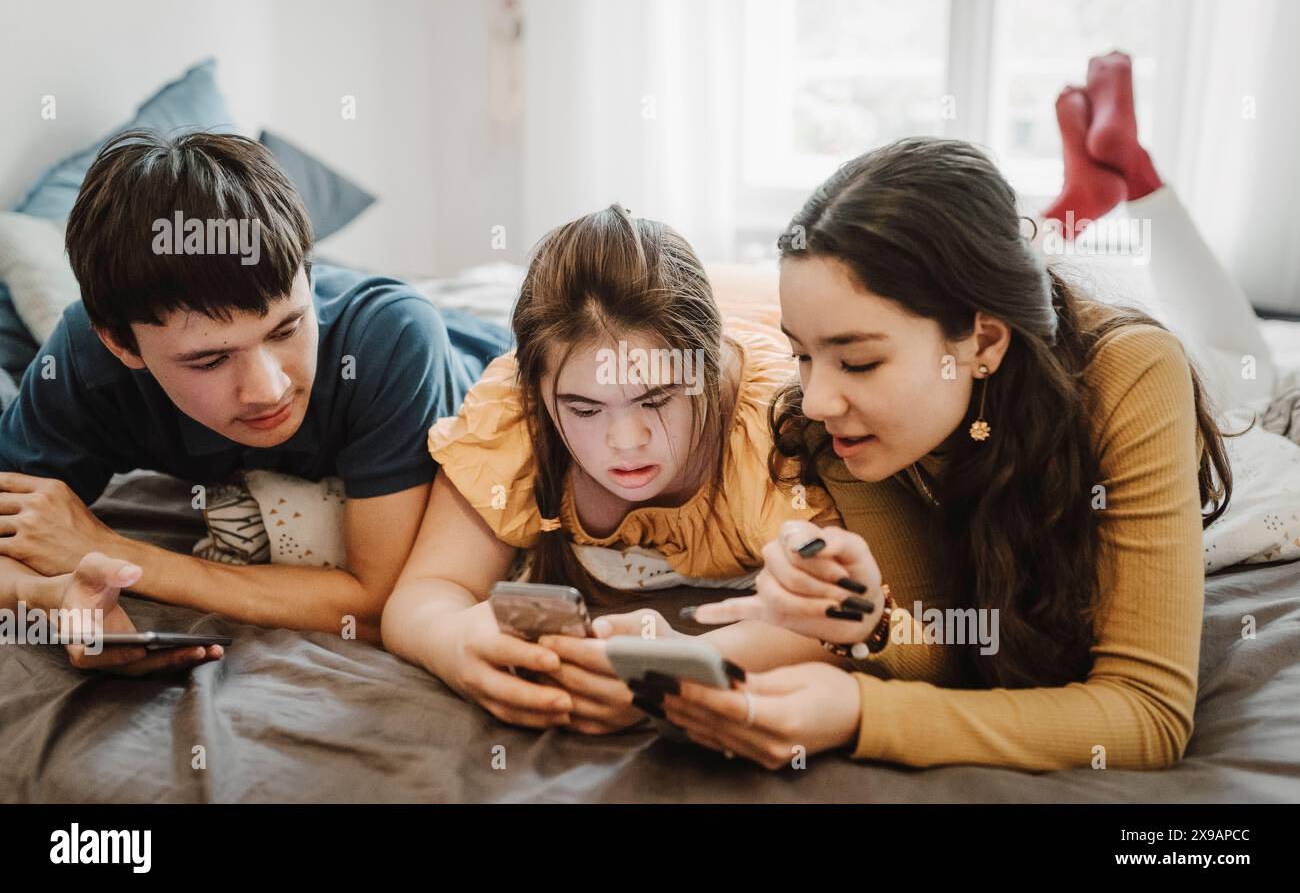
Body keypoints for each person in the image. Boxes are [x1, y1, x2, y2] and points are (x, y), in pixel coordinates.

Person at [627, 52, 1260, 771]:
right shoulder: (834, 422)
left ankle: (1136, 180)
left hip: (1246, 413)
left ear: (983, 339)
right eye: (802, 353)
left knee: (1242, 353)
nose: (820, 396)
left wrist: (862, 713)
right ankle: (1082, 195)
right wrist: (857, 626)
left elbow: (1146, 714)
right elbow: (940, 638)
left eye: (859, 360)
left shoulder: (1130, 377)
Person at [0, 129, 510, 672]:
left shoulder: (391, 341)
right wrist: (56, 600)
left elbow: (373, 605)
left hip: (476, 354)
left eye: (287, 329)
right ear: (122, 343)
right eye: (210, 360)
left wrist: (120, 554)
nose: (269, 390)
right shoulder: (85, 360)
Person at [380, 204, 841, 733]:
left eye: (657, 399)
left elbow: (841, 620)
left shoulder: (778, 429)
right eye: (584, 409)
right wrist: (455, 642)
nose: (626, 442)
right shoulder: (514, 415)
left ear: (708, 373)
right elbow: (425, 591)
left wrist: (683, 666)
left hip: (749, 308)